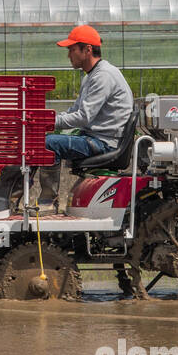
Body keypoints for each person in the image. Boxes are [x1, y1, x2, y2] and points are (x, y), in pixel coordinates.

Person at [38, 24, 134, 213]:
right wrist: (48, 121)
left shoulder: (103, 76)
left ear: (87, 49)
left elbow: (83, 117)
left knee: (46, 144)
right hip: (95, 138)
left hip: (104, 143)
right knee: (41, 139)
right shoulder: (91, 76)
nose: (69, 55)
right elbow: (74, 111)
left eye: (72, 50)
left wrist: (47, 122)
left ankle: (47, 204)